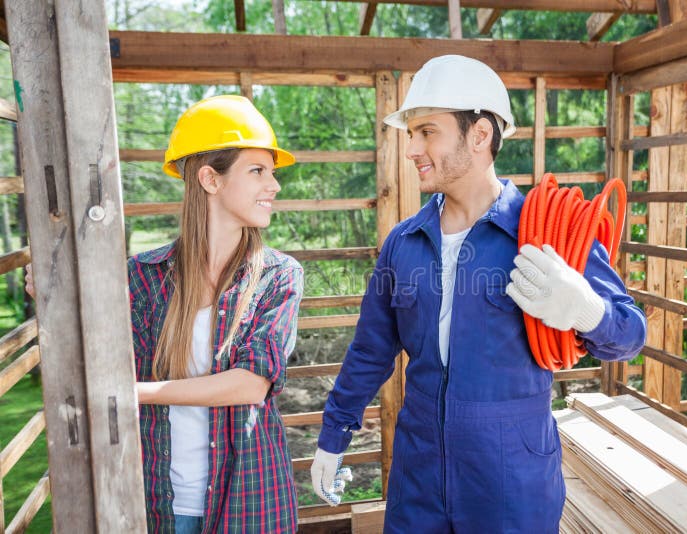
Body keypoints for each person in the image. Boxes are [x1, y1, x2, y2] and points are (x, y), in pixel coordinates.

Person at [309, 55, 646, 533]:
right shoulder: (404, 243)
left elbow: (630, 335)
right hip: (418, 474)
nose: (412, 149)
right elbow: (371, 349)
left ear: (480, 134)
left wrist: (586, 309)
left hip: (511, 480)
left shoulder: (547, 234)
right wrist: (333, 432)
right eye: (411, 134)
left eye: (427, 131)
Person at [29, 95, 302, 533]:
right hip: (159, 503)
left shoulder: (278, 276)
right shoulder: (142, 277)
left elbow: (252, 384)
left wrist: (134, 392)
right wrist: (54, 293)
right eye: (258, 171)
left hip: (249, 502)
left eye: (271, 172)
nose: (274, 185)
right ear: (210, 179)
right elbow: (91, 345)